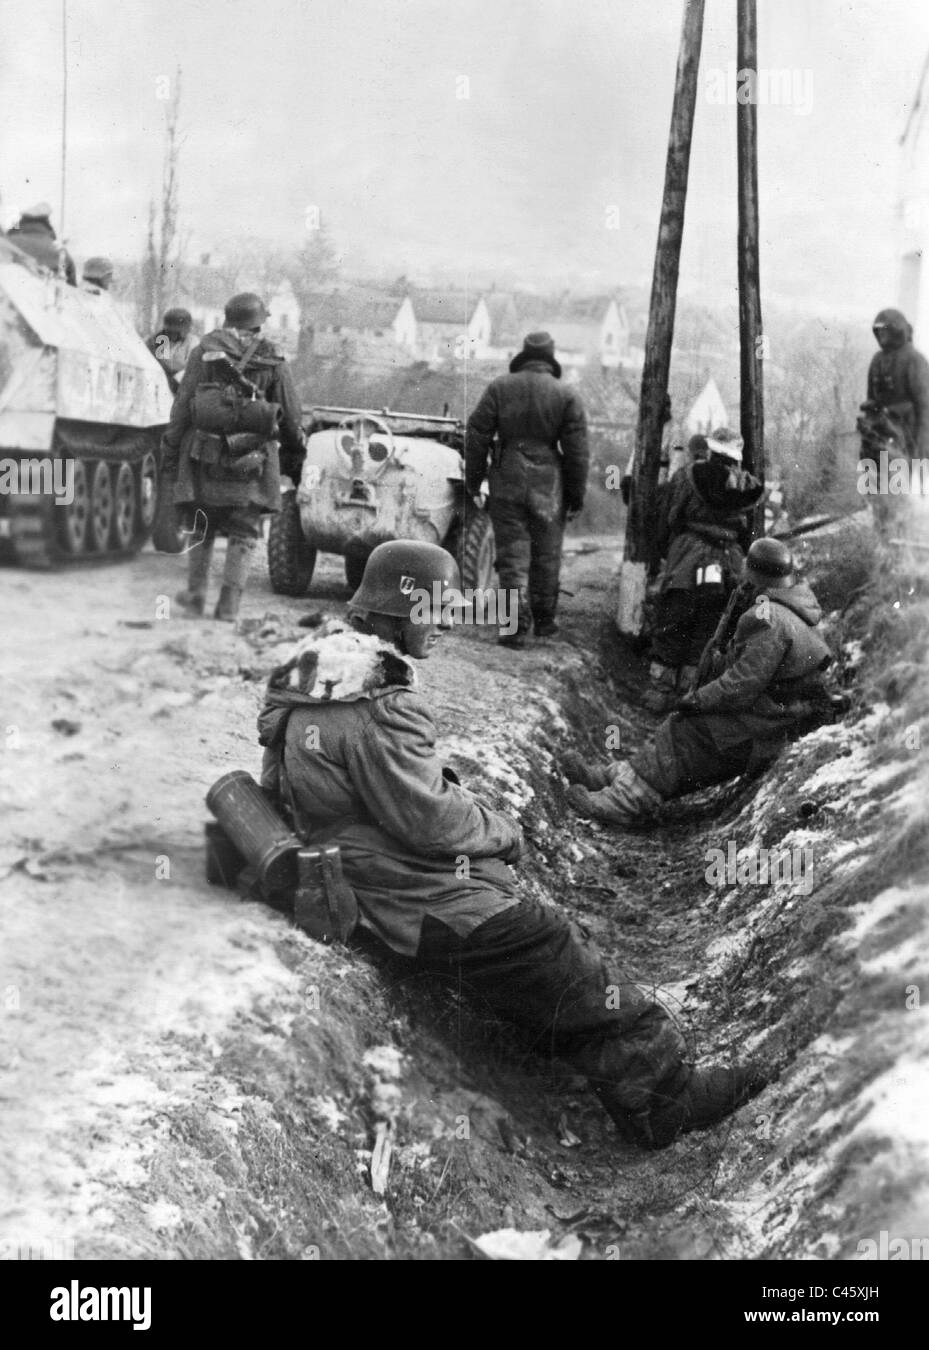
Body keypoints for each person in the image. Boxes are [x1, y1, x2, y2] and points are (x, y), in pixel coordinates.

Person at [256, 539, 765, 1149]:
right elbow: (433, 823)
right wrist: (503, 831)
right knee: (550, 943)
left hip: (365, 871)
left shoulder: (317, 680)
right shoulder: (382, 704)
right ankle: (665, 1099)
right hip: (400, 893)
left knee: (537, 942)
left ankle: (551, 1042)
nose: (446, 622)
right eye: (436, 609)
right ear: (399, 609)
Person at [566, 538, 832, 826]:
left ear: (753, 574)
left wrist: (697, 699)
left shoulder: (769, 619)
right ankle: (621, 775)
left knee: (684, 733)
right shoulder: (790, 606)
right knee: (681, 727)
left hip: (764, 728)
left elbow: (740, 686)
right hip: (772, 717)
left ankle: (624, 801)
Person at [160, 291, 305, 622]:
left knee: (202, 529)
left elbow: (182, 408)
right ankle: (228, 610)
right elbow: (292, 419)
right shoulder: (273, 358)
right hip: (252, 463)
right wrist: (296, 457)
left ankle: (194, 601)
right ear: (257, 324)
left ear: (227, 319)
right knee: (244, 532)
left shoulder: (203, 351)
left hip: (203, 457)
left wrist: (170, 453)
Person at [464, 331, 589, 647]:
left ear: (524, 356)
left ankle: (512, 626)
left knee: (511, 556)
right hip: (549, 485)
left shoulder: (499, 388)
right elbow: (577, 453)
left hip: (506, 478)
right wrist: (575, 496)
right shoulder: (567, 395)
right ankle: (544, 621)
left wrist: (474, 480)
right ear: (550, 359)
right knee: (547, 554)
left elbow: (477, 433)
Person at [646, 426, 763, 710]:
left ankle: (660, 692)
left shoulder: (687, 475)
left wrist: (663, 550)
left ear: (711, 448)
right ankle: (690, 692)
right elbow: (750, 533)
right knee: (709, 628)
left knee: (672, 621)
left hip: (689, 555)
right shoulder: (750, 486)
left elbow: (671, 516)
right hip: (729, 561)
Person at [861, 307, 929, 462]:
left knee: (900, 479)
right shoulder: (877, 360)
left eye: (886, 329)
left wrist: (924, 440)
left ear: (897, 330)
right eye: (878, 331)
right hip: (878, 431)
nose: (882, 334)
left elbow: (925, 405)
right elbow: (871, 396)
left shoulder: (914, 359)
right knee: (874, 481)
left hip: (905, 432)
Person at [6, 202, 76, 284]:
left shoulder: (5, 244)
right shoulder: (61, 253)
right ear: (46, 223)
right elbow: (72, 292)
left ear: (22, 221)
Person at [146, 307, 199, 394]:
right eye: (170, 331)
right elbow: (163, 364)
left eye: (177, 332)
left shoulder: (192, 341)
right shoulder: (161, 338)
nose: (172, 335)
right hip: (163, 382)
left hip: (183, 384)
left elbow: (190, 366)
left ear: (186, 329)